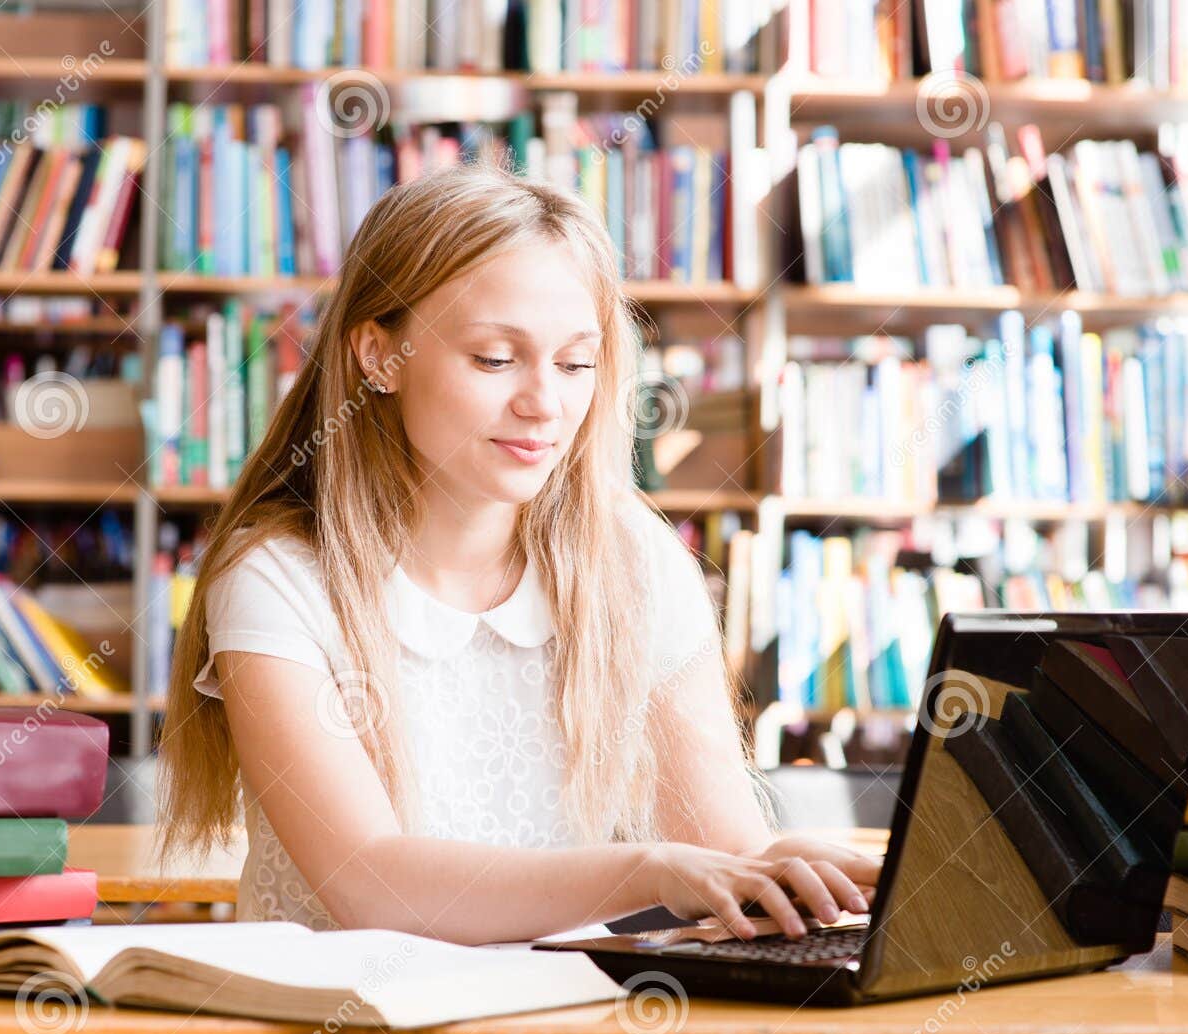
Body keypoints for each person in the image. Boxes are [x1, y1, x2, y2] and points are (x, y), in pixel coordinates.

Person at [158, 161, 880, 948]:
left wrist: (790, 871)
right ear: (379, 356)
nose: (546, 402)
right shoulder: (278, 578)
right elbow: (369, 883)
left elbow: (723, 851)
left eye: (576, 364)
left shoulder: (633, 558)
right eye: (496, 359)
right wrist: (648, 870)